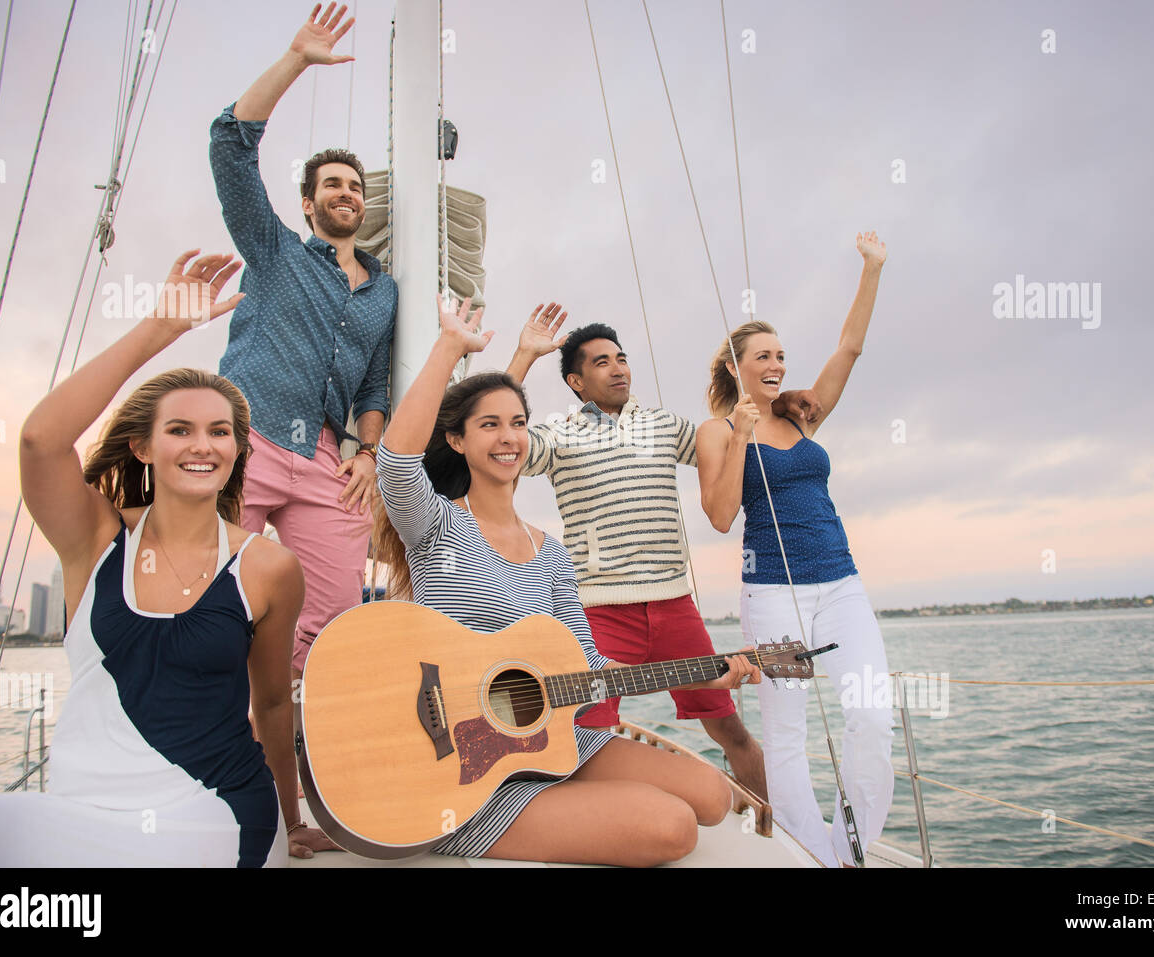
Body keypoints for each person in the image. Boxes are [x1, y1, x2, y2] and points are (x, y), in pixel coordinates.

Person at [0, 251, 325, 865]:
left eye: (220, 431)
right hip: (80, 814)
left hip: (216, 814)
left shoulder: (267, 568)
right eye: (180, 429)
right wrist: (163, 328)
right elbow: (41, 441)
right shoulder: (94, 539)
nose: (203, 445)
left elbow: (274, 702)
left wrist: (291, 818)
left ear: (236, 448)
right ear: (142, 446)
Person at [372, 295, 762, 866]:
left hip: (540, 738)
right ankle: (465, 822)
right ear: (457, 440)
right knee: (673, 828)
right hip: (461, 760)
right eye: (489, 425)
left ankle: (558, 797)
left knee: (712, 796)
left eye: (518, 424)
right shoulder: (435, 524)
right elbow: (397, 460)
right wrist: (451, 345)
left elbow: (589, 666)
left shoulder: (550, 554)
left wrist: (710, 673)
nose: (509, 437)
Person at [506, 310, 822, 801]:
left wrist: (781, 403)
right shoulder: (558, 436)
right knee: (590, 740)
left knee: (732, 732)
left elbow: (734, 442)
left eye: (622, 359)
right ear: (576, 380)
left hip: (675, 606)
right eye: (602, 363)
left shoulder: (664, 425)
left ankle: (781, 835)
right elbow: (498, 436)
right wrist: (525, 355)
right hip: (598, 613)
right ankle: (601, 832)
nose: (618, 369)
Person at [209, 2, 394, 683]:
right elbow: (228, 144)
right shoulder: (274, 249)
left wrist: (369, 450)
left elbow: (374, 384)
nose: (347, 193)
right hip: (244, 435)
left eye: (355, 186)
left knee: (335, 616)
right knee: (211, 589)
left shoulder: (385, 291)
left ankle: (284, 732)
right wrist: (296, 60)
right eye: (332, 186)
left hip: (323, 455)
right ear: (309, 204)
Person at [696, 231, 892, 868]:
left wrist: (872, 267)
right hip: (773, 594)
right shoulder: (717, 431)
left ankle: (849, 849)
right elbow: (721, 515)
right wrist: (742, 438)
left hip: (840, 585)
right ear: (735, 366)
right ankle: (816, 856)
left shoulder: (804, 415)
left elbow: (852, 349)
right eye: (762, 355)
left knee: (871, 720)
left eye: (780, 353)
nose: (776, 363)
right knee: (786, 736)